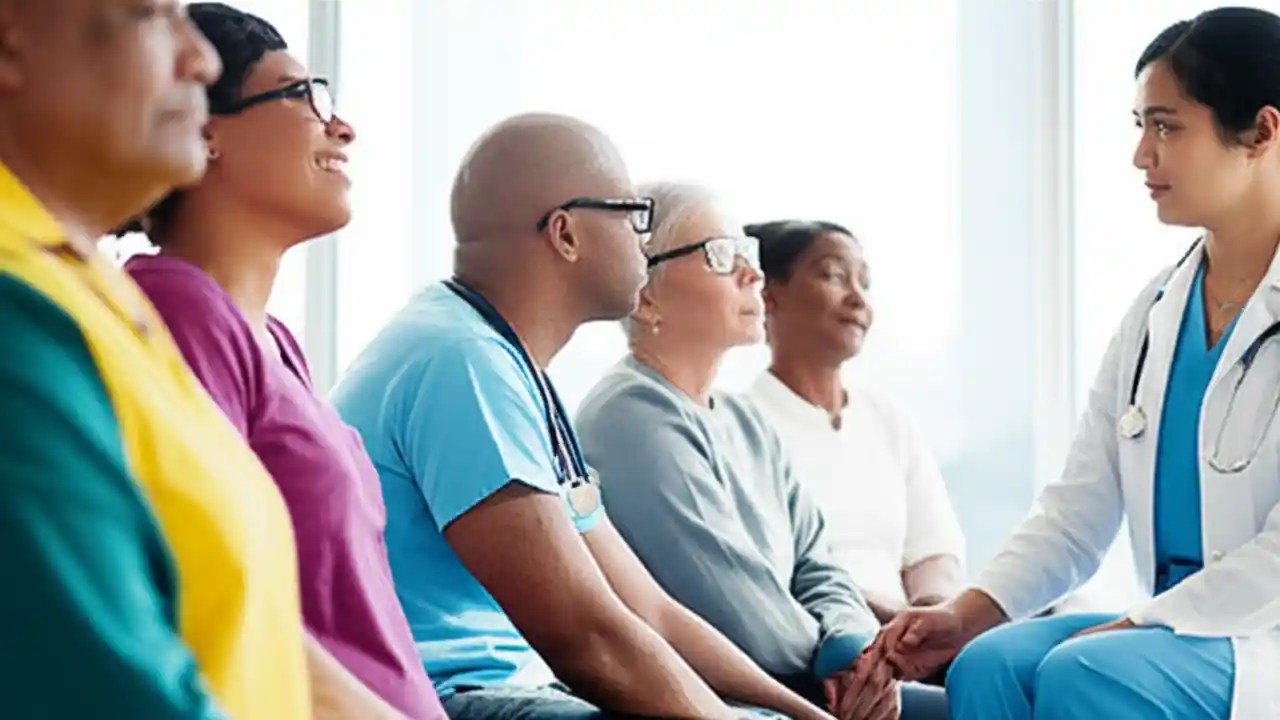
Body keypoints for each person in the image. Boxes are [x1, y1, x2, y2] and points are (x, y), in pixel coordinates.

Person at [332, 113, 832, 720]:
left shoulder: (511, 366)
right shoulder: (461, 360)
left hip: (510, 687)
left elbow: (644, 606)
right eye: (630, 215)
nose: (642, 241)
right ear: (565, 234)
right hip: (442, 698)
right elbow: (586, 639)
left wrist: (802, 714)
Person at [874, 8, 1280, 719]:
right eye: (1139, 127)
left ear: (1262, 132)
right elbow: (1078, 508)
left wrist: (1133, 626)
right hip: (1166, 632)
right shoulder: (1157, 312)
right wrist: (969, 613)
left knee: (1084, 673)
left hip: (1259, 635)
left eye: (1166, 126)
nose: (1142, 156)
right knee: (990, 666)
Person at [113, 5, 444, 719]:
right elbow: (202, 587)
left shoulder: (276, 342)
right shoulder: (177, 308)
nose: (342, 126)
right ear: (207, 131)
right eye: (301, 95)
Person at [0, 1, 311, 717]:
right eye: (152, 15)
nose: (199, 62)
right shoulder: (16, 320)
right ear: (10, 37)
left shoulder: (89, 289)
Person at [575, 182, 948, 720]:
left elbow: (821, 568)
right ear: (646, 292)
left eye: (746, 254)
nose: (752, 275)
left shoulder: (744, 420)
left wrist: (854, 651)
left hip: (816, 681)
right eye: (721, 256)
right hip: (735, 696)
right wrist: (845, 668)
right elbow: (736, 611)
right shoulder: (629, 417)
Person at [743, 219, 965, 624]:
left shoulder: (886, 417)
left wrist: (931, 616)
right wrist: (890, 619)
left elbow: (933, 546)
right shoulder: (744, 425)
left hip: (909, 640)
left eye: (864, 282)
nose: (858, 299)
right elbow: (775, 575)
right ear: (769, 295)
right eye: (832, 276)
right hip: (825, 640)